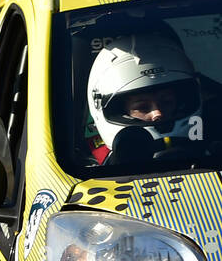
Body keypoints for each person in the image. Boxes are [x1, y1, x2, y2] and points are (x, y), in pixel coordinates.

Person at [85, 33, 204, 164]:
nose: (157, 114)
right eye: (142, 107)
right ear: (119, 111)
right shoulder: (81, 171)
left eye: (167, 102)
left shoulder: (221, 153)